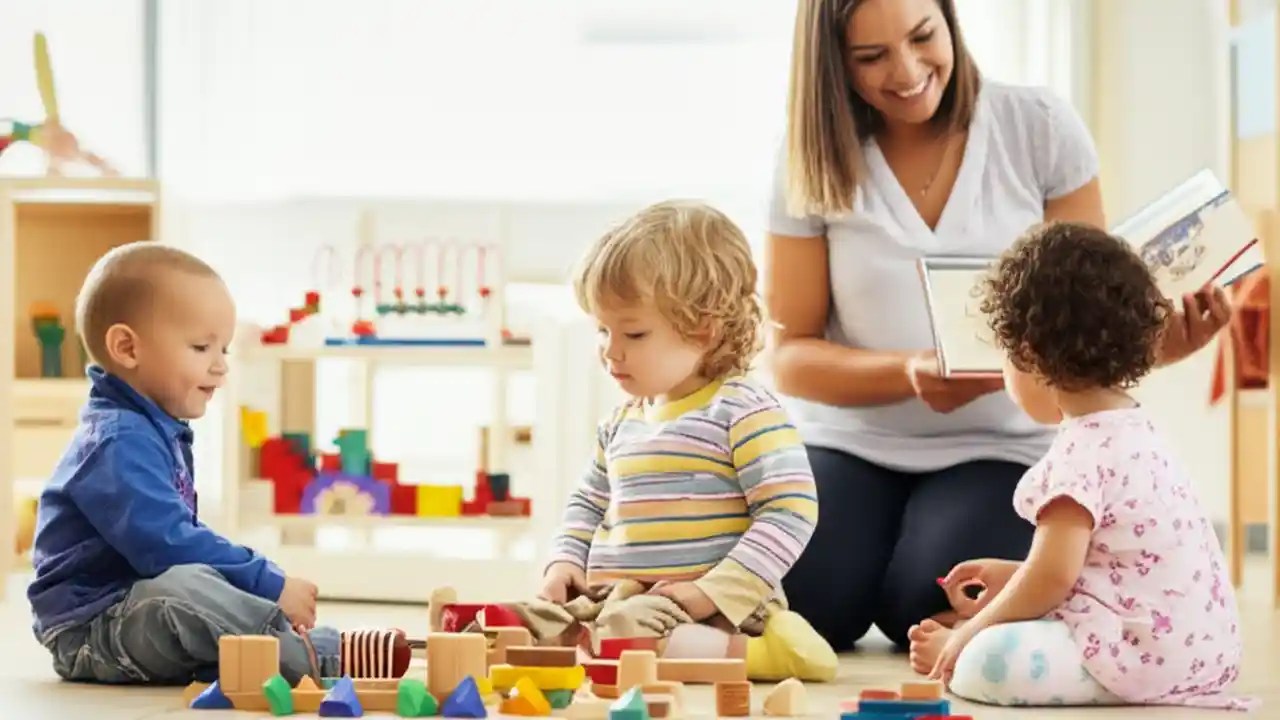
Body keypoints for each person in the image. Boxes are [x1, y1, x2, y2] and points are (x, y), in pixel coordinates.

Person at [765, 0, 1232, 651]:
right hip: (849, 442)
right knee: (809, 600)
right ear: (833, 64)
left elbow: (1088, 323)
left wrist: (1159, 347)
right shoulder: (809, 157)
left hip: (1000, 446)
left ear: (949, 20)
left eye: (923, 37)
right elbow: (788, 357)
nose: (908, 71)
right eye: (871, 57)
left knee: (932, 596)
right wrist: (906, 372)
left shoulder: (1038, 128)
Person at [26, 243, 408, 685]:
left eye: (223, 349)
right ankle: (310, 654)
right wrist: (269, 583)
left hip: (135, 609)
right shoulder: (117, 440)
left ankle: (266, 648)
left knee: (198, 580)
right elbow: (167, 546)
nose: (221, 367)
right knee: (186, 589)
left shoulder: (152, 428)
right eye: (201, 347)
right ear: (127, 348)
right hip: (91, 628)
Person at [910, 221, 1250, 710]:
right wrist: (1013, 577)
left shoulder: (1078, 454)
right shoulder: (1137, 428)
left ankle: (965, 651)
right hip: (1207, 655)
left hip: (1145, 659)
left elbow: (1054, 578)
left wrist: (968, 635)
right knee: (1020, 616)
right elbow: (1111, 563)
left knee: (990, 658)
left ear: (1027, 353)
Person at [538, 200, 838, 681]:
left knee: (617, 641)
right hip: (625, 600)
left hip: (714, 607)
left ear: (704, 328)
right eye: (602, 330)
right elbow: (586, 504)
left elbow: (791, 510)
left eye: (634, 333)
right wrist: (565, 562)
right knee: (545, 626)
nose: (611, 351)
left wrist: (711, 592)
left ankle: (768, 655)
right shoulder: (620, 422)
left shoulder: (742, 410)